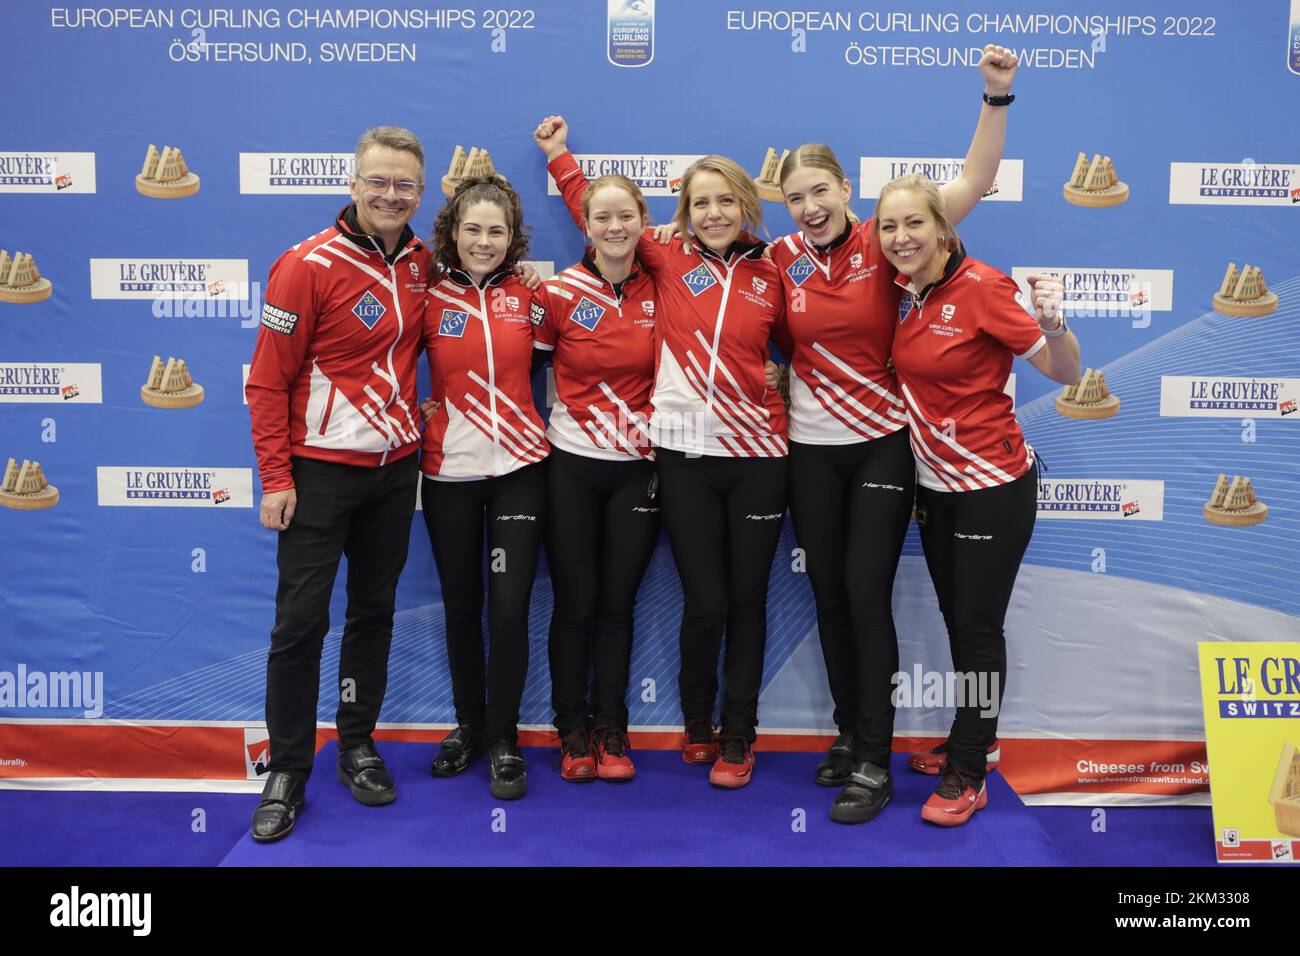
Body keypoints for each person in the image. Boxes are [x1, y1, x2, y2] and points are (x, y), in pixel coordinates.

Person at [765, 45, 1020, 823]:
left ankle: (875, 762)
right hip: (809, 448)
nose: (808, 206)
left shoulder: (891, 239)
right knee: (833, 596)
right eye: (793, 196)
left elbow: (972, 181)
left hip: (885, 446)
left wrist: (995, 97)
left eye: (820, 191)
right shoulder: (777, 259)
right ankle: (852, 733)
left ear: (847, 189)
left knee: (867, 594)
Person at [536, 116, 788, 789]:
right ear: (681, 215)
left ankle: (739, 734)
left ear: (746, 205)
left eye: (724, 200)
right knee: (705, 600)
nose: (712, 213)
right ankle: (698, 724)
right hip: (679, 455)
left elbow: (819, 339)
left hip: (762, 456)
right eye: (700, 203)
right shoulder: (664, 256)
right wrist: (561, 158)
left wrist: (785, 375)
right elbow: (599, 215)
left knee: (748, 600)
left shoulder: (776, 268)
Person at [875, 173, 1079, 826]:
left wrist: (1055, 324)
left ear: (943, 228)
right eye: (888, 226)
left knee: (977, 630)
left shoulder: (984, 287)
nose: (900, 238)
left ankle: (969, 768)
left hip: (991, 488)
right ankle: (977, 737)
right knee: (961, 623)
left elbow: (1063, 371)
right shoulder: (905, 293)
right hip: (935, 490)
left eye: (913, 224)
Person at [245, 126, 430, 842]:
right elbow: (267, 380)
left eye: (404, 185)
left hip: (393, 472)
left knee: (373, 613)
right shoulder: (304, 264)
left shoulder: (421, 261)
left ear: (421, 192)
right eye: (378, 182)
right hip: (317, 474)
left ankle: (356, 744)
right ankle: (288, 767)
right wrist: (275, 476)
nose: (390, 195)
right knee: (299, 625)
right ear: (352, 185)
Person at [524, 147, 660, 782]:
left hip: (638, 468)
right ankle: (570, 728)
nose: (613, 227)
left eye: (625, 216)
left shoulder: (666, 287)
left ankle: (611, 727)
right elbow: (522, 368)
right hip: (571, 465)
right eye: (601, 217)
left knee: (617, 603)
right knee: (576, 603)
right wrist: (560, 159)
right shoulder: (553, 294)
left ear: (643, 221)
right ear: (585, 225)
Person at [421, 174, 549, 801]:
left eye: (496, 231)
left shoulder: (533, 296)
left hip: (522, 472)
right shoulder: (425, 294)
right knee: (462, 608)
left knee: (508, 610)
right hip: (447, 474)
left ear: (512, 238)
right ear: (452, 233)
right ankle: (469, 725)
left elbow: (579, 358)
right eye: (472, 229)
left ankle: (504, 736)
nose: (484, 241)